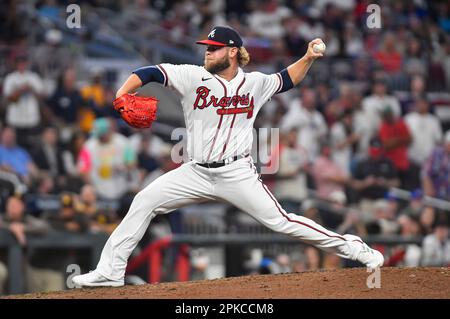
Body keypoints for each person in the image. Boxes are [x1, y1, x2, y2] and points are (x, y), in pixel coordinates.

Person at [73, 26, 384, 287]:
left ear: (233, 51)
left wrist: (308, 57)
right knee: (144, 201)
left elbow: (287, 78)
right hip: (194, 172)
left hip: (237, 173)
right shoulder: (191, 76)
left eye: (215, 48)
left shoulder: (255, 83)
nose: (208, 52)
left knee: (282, 222)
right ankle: (111, 272)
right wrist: (122, 93)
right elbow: (151, 71)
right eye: (207, 48)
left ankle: (352, 246)